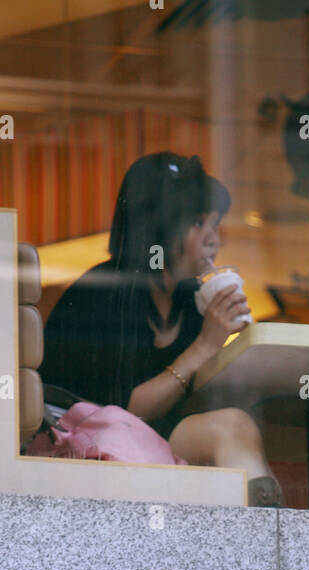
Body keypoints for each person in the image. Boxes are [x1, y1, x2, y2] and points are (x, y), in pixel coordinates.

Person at [40, 152, 283, 506]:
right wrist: (205, 346)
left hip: (149, 444)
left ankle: (271, 538)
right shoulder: (104, 292)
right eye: (200, 223)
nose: (215, 239)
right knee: (229, 427)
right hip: (86, 457)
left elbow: (196, 402)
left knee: (234, 425)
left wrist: (233, 342)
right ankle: (265, 539)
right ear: (159, 227)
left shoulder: (192, 300)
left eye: (215, 224)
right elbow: (124, 411)